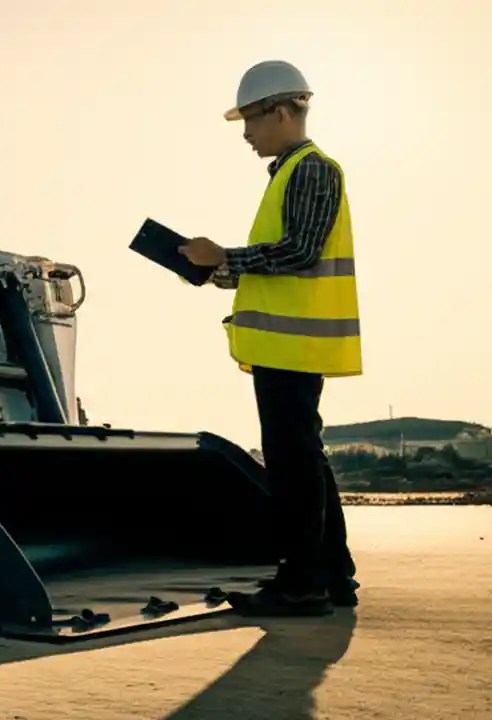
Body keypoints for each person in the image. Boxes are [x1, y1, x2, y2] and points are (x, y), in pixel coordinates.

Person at [177, 60, 362, 617]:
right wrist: (218, 270)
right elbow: (281, 260)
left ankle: (303, 583)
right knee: (306, 459)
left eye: (252, 119)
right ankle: (331, 576)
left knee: (295, 464)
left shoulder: (310, 170)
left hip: (293, 347)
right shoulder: (290, 173)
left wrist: (227, 256)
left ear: (281, 112)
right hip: (285, 346)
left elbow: (301, 252)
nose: (246, 132)